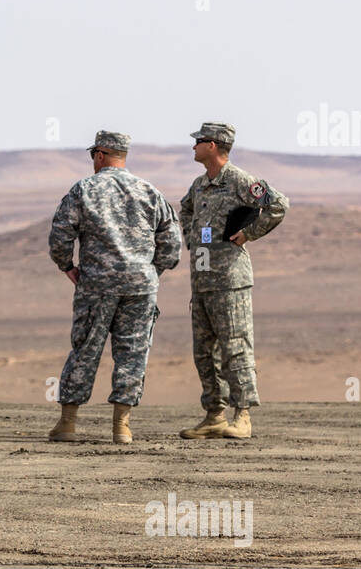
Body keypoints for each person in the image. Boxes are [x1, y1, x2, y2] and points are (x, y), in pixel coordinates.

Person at [48, 130, 182, 443]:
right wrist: (151, 272)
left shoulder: (84, 189)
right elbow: (173, 242)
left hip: (96, 284)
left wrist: (67, 266)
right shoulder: (149, 190)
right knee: (133, 353)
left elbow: (60, 235)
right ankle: (122, 427)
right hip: (140, 286)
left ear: (99, 155)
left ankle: (67, 424)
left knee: (85, 349)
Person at [177, 122, 288, 439]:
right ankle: (214, 415)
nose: (194, 146)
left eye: (199, 141)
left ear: (212, 146)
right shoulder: (200, 185)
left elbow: (278, 204)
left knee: (235, 347)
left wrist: (249, 233)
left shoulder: (240, 181)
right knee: (204, 352)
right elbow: (185, 210)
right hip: (202, 281)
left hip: (229, 280)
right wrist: (192, 237)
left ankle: (243, 416)